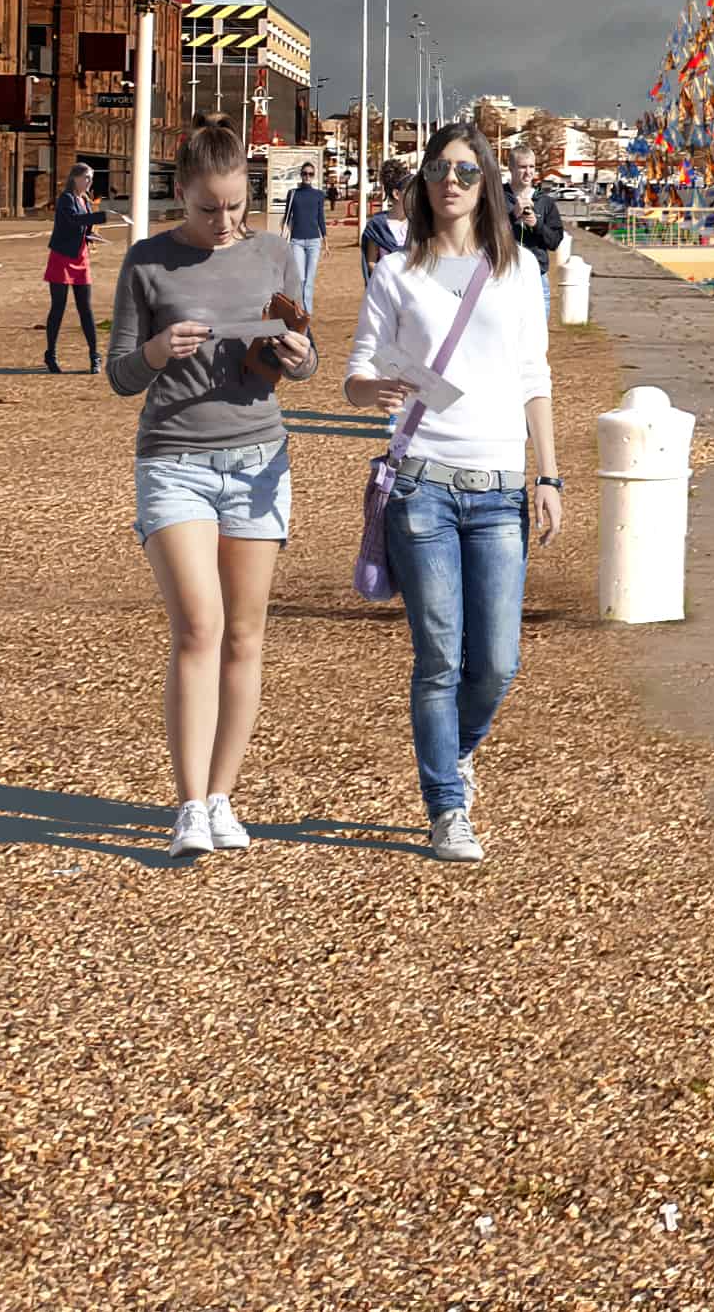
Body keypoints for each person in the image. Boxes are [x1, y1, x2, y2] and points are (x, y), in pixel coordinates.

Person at [344, 123, 562, 865]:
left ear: (490, 182)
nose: (453, 181)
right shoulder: (395, 273)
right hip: (422, 484)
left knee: (497, 662)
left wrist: (551, 475)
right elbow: (356, 372)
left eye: (468, 171)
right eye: (440, 168)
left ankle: (456, 751)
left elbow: (536, 378)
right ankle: (445, 807)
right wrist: (373, 387)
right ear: (423, 180)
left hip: (500, 486)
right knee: (438, 656)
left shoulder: (518, 273)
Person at [111, 124, 317, 856]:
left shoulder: (276, 253)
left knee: (245, 634)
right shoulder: (147, 262)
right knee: (198, 626)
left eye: (235, 207)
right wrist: (157, 351)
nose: (224, 223)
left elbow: (306, 362)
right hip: (174, 461)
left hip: (258, 460)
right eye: (208, 210)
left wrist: (297, 355)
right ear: (180, 194)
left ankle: (225, 796)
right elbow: (119, 376)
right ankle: (190, 804)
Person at [44, 158, 113, 372]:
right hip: (62, 258)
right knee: (58, 307)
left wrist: (91, 236)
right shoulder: (65, 199)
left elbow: (82, 228)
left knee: (86, 309)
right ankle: (51, 355)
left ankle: (95, 356)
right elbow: (73, 220)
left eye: (91, 178)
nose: (89, 182)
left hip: (80, 258)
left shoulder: (84, 199)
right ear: (75, 178)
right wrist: (100, 217)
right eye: (86, 178)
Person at [279, 160, 331, 309]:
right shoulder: (293, 193)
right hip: (297, 241)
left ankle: (306, 314)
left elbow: (321, 218)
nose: (307, 176)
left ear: (313, 176)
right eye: (304, 173)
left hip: (314, 241)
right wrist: (284, 236)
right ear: (300, 175)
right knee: (300, 278)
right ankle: (300, 310)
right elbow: (287, 217)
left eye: (310, 174)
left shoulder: (319, 195)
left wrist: (326, 243)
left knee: (309, 280)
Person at [359, 161, 411, 279]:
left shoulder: (419, 223)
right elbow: (371, 262)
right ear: (397, 194)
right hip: (388, 289)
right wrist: (390, 277)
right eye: (411, 191)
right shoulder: (377, 225)